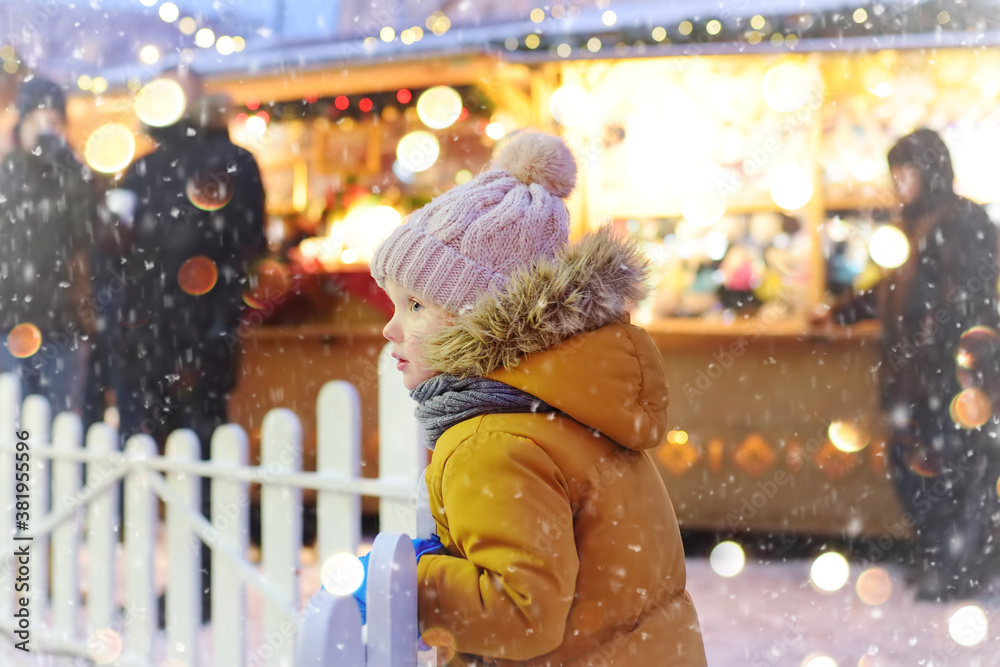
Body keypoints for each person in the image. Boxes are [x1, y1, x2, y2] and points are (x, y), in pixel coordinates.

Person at [361, 131, 707, 665]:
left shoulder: (492, 441)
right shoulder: (561, 409)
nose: (390, 329)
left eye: (415, 306)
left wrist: (409, 579)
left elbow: (522, 614)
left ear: (480, 319)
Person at [117, 66, 267, 623]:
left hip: (184, 338)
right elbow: (250, 243)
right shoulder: (162, 167)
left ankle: (199, 580)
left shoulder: (193, 166)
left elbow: (239, 242)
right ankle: (195, 577)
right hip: (179, 338)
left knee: (189, 462)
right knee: (186, 464)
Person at [831, 128, 1000, 601]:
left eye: (905, 172)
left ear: (930, 171)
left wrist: (934, 349)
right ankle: (941, 559)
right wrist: (842, 311)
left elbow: (966, 298)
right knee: (918, 472)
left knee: (952, 474)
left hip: (948, 380)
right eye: (895, 174)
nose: (897, 183)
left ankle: (955, 569)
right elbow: (891, 290)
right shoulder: (911, 224)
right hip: (916, 377)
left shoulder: (962, 220)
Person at [0, 76, 98, 415]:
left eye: (53, 121)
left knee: (61, 423)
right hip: (8, 324)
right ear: (22, 123)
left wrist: (68, 167)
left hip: (62, 325)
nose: (45, 130)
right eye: (37, 120)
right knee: (14, 428)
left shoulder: (76, 175)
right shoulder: (5, 173)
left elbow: (90, 235)